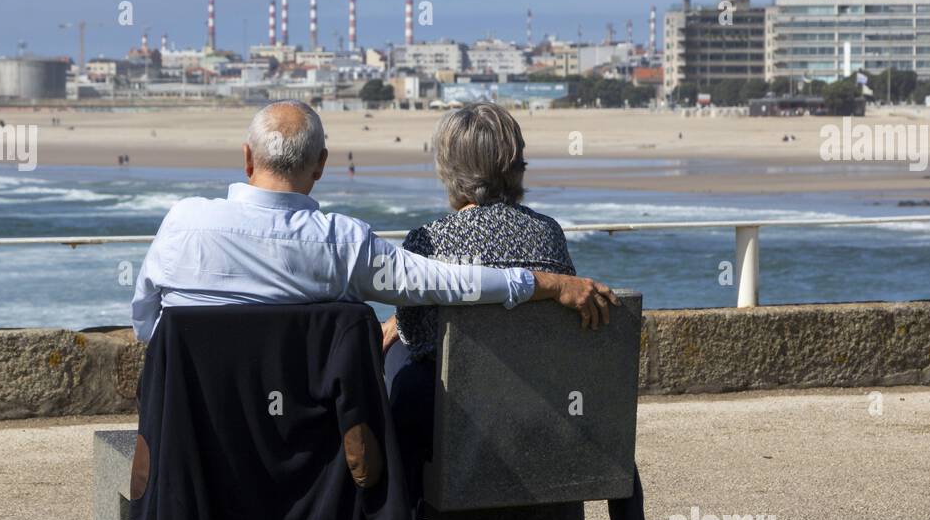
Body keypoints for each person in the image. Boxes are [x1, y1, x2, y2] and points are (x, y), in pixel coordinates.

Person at [132, 100, 617, 345]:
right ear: (320, 164)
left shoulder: (181, 222)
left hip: (187, 434)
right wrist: (545, 283)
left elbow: (146, 326)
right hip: (294, 442)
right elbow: (449, 283)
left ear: (245, 158)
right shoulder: (342, 243)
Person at [380, 102, 648, 520]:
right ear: (514, 165)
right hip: (539, 410)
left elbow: (418, 334)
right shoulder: (549, 234)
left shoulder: (430, 239)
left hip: (461, 418)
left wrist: (395, 330)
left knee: (399, 360)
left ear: (449, 168)